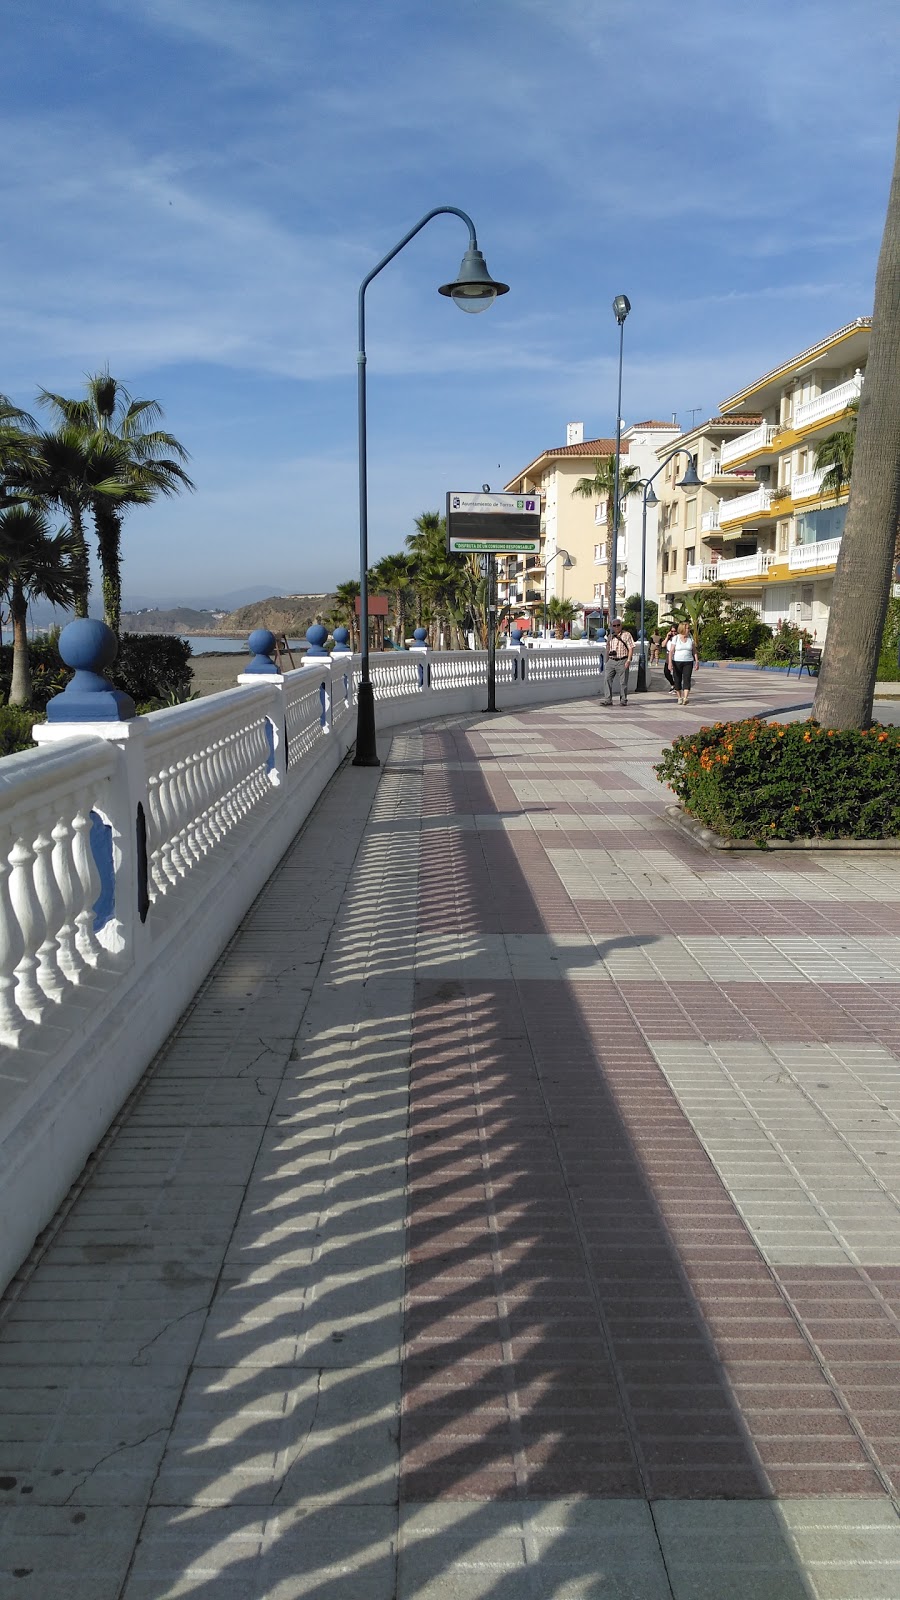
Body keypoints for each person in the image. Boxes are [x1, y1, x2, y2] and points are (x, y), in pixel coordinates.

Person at [602, 617, 634, 706]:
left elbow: (631, 648)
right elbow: (607, 648)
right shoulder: (610, 636)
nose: (616, 627)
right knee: (607, 679)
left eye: (618, 625)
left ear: (621, 625)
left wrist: (628, 660)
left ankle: (623, 700)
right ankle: (608, 699)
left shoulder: (626, 635)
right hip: (611, 660)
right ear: (612, 626)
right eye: (614, 625)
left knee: (623, 681)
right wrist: (606, 661)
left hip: (622, 660)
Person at [669, 620, 699, 705]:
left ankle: (685, 698)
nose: (688, 630)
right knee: (677, 679)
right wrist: (670, 663)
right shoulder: (676, 638)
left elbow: (694, 651)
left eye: (689, 628)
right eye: (687, 628)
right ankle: (679, 697)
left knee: (687, 679)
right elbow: (671, 651)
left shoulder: (690, 638)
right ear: (682, 629)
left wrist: (697, 661)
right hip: (677, 661)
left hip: (688, 661)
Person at [661, 626, 677, 692]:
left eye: (675, 631)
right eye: (672, 631)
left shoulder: (678, 638)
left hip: (676, 656)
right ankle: (673, 684)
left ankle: (677, 687)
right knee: (666, 672)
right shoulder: (669, 639)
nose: (673, 633)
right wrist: (667, 637)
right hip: (668, 656)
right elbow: (663, 645)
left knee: (676, 673)